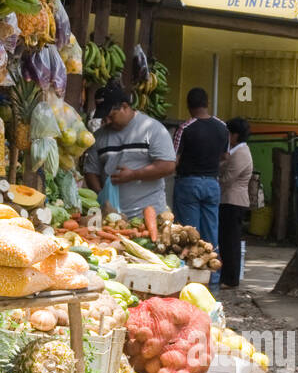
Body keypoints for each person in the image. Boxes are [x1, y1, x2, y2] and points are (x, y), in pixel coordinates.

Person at [82, 80, 175, 218]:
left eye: (111, 116)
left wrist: (133, 175)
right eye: (104, 117)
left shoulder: (152, 129)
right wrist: (100, 193)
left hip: (149, 216)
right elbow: (91, 171)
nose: (107, 121)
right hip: (112, 218)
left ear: (125, 107)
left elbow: (168, 166)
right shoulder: (99, 137)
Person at [172, 87, 229, 287]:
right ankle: (212, 282)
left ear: (189, 105)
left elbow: (174, 160)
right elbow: (225, 156)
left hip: (189, 184)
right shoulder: (222, 127)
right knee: (211, 233)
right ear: (207, 103)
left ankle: (189, 282)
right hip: (212, 184)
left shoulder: (185, 128)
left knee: (189, 234)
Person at [218, 117, 253, 290]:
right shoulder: (236, 151)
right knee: (226, 240)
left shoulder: (241, 153)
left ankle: (230, 278)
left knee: (230, 241)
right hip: (230, 200)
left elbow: (227, 179)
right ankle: (227, 276)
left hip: (233, 201)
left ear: (235, 135)